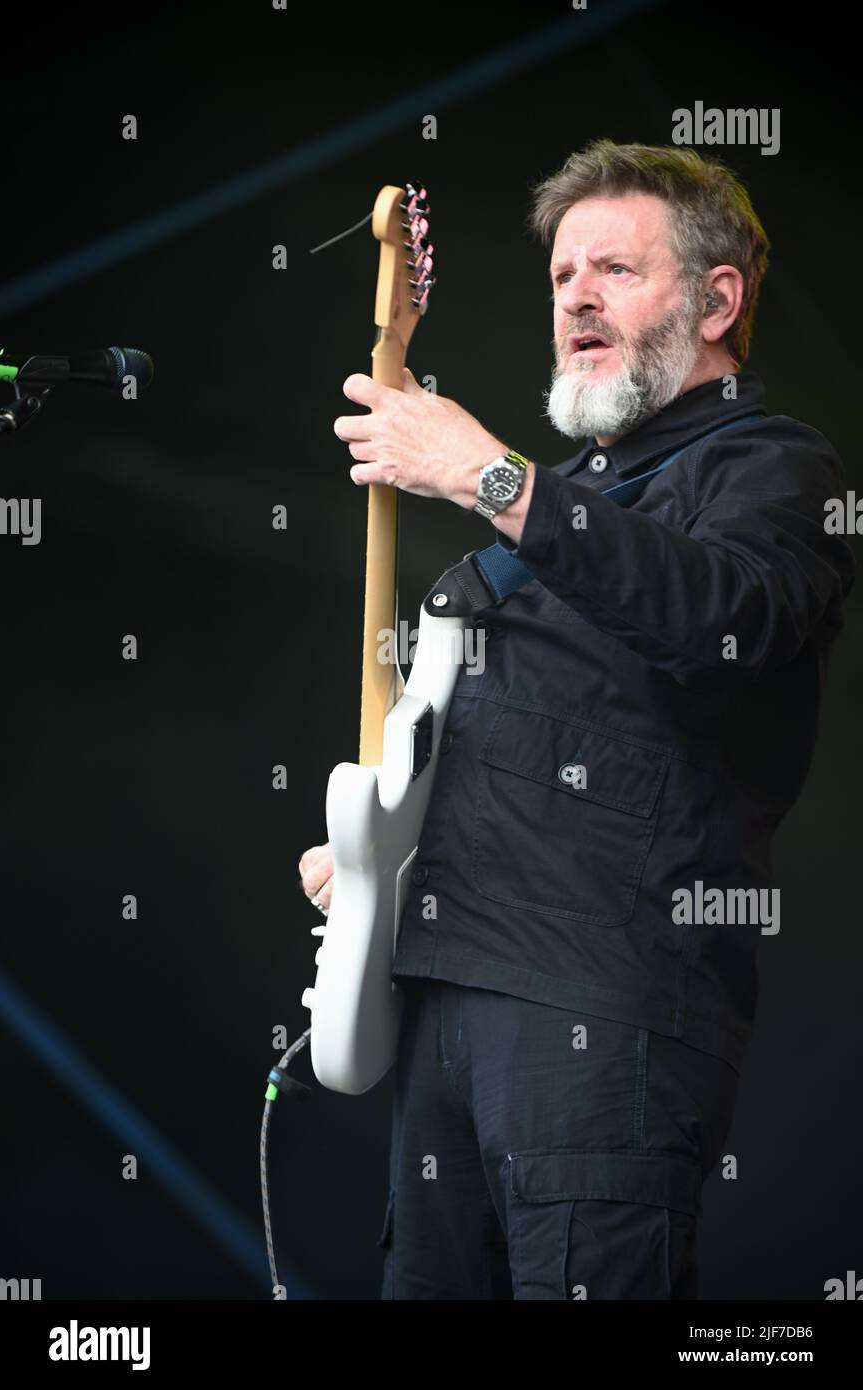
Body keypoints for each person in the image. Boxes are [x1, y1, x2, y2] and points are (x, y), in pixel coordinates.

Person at [298, 140, 854, 1299]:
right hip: (444, 1003)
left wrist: (493, 478)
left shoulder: (773, 466)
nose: (576, 299)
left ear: (718, 302)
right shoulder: (559, 511)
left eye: (615, 270)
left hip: (599, 1014)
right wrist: (381, 855)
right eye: (562, 276)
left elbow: (724, 619)